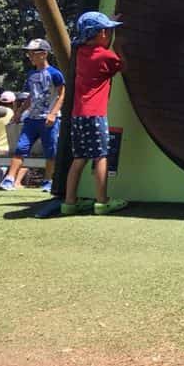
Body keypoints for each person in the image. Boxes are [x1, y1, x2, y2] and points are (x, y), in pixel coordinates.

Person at [61, 11, 128, 215]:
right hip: (95, 115)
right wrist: (119, 48)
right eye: (108, 31)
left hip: (78, 114)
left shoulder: (80, 51)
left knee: (79, 157)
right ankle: (102, 201)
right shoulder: (106, 56)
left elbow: (89, 40)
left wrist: (108, 24)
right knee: (101, 156)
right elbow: (123, 66)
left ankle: (69, 202)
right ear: (101, 34)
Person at [0, 39, 65, 194]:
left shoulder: (55, 74)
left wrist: (53, 114)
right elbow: (31, 97)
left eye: (32, 53)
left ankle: (49, 181)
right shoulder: (31, 74)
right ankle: (9, 179)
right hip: (31, 119)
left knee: (51, 151)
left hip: (48, 120)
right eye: (29, 53)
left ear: (44, 54)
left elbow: (62, 94)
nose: (30, 56)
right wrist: (20, 112)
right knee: (20, 148)